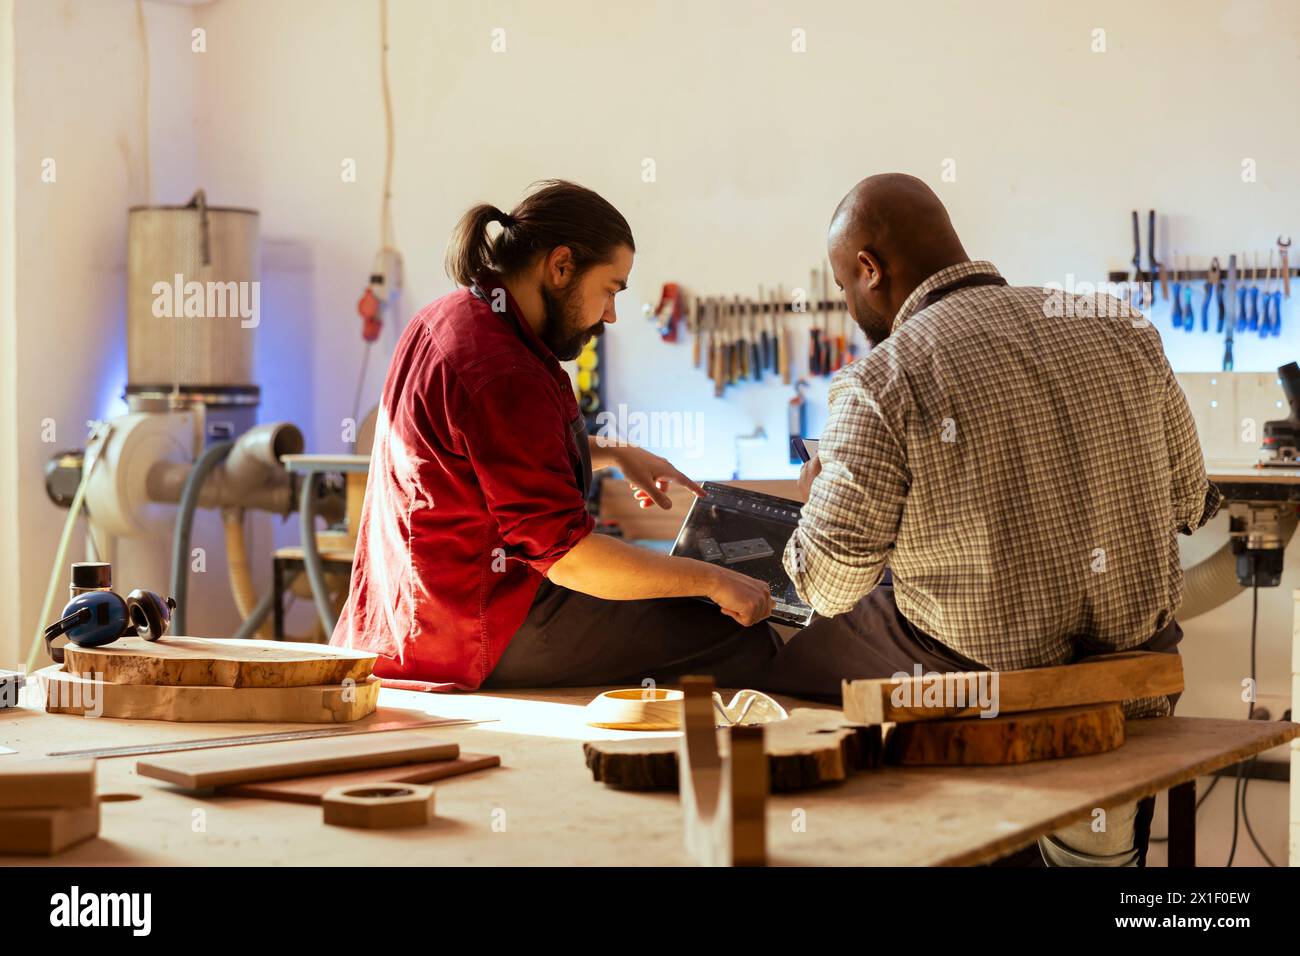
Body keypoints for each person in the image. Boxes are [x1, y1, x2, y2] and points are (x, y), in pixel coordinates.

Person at [757, 173, 1220, 866]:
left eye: (844, 287)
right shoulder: (1120, 325)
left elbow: (827, 584)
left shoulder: (883, 379)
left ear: (868, 268)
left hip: (983, 707)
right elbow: (1189, 501)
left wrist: (816, 495)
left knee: (775, 648)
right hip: (1137, 692)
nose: (850, 306)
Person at [332, 180, 778, 694]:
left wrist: (611, 452)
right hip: (475, 629)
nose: (610, 315)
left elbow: (487, 460)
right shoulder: (503, 369)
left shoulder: (449, 316)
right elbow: (570, 559)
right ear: (560, 266)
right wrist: (710, 579)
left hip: (406, 619)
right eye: (610, 289)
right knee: (737, 633)